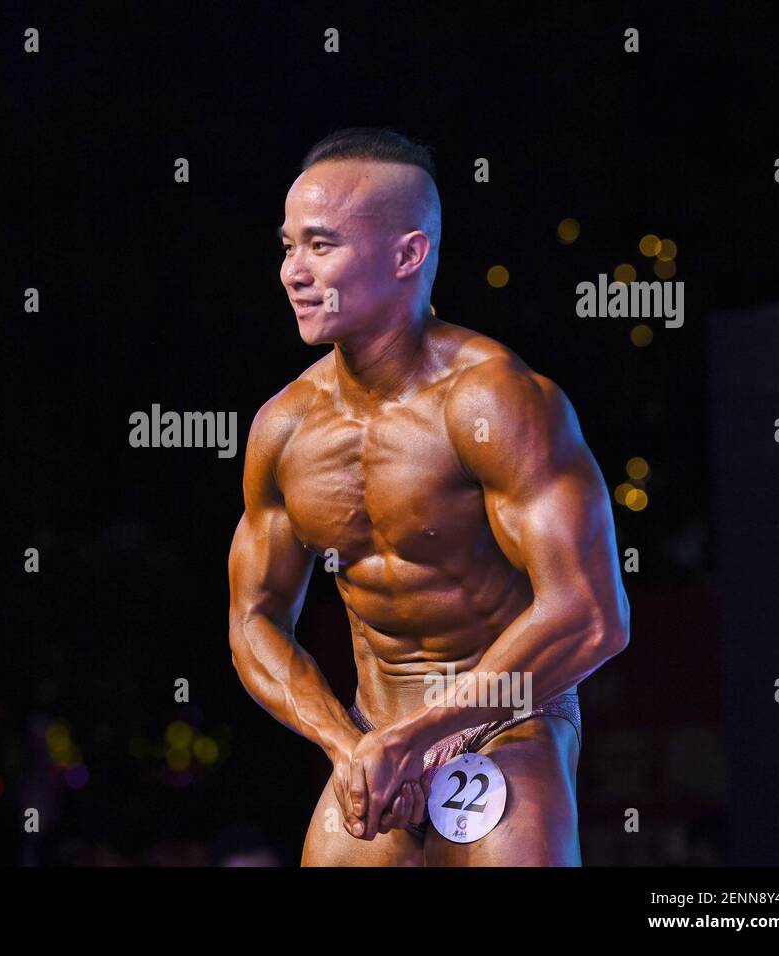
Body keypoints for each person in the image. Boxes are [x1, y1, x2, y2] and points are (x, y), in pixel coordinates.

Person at [227, 128, 629, 866]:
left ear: (408, 254)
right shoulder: (282, 429)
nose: (293, 272)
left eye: (320, 246)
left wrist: (419, 737)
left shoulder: (497, 401)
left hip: (505, 721)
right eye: (288, 247)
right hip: (372, 736)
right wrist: (348, 745)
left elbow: (593, 615)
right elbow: (253, 619)